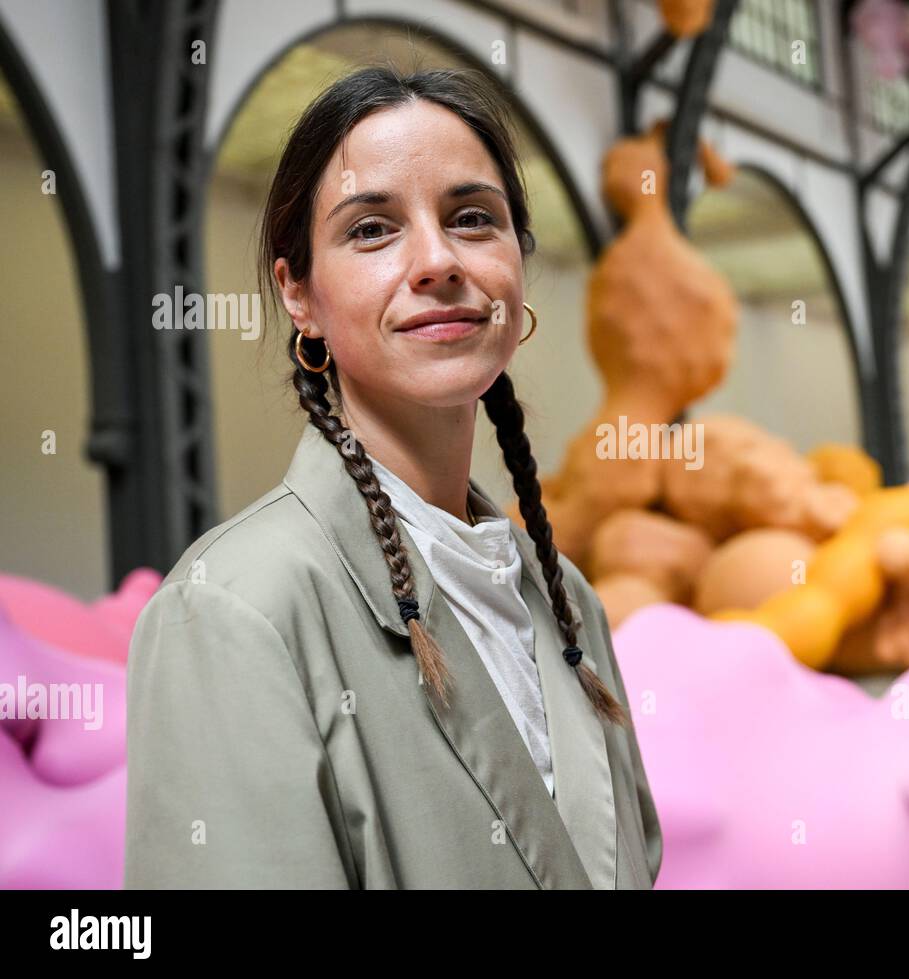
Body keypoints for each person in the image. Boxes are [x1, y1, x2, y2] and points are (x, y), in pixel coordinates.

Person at [124, 66, 661, 889]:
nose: (438, 260)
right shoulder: (234, 609)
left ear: (518, 261)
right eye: (373, 230)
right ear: (298, 293)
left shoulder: (567, 602)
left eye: (473, 218)